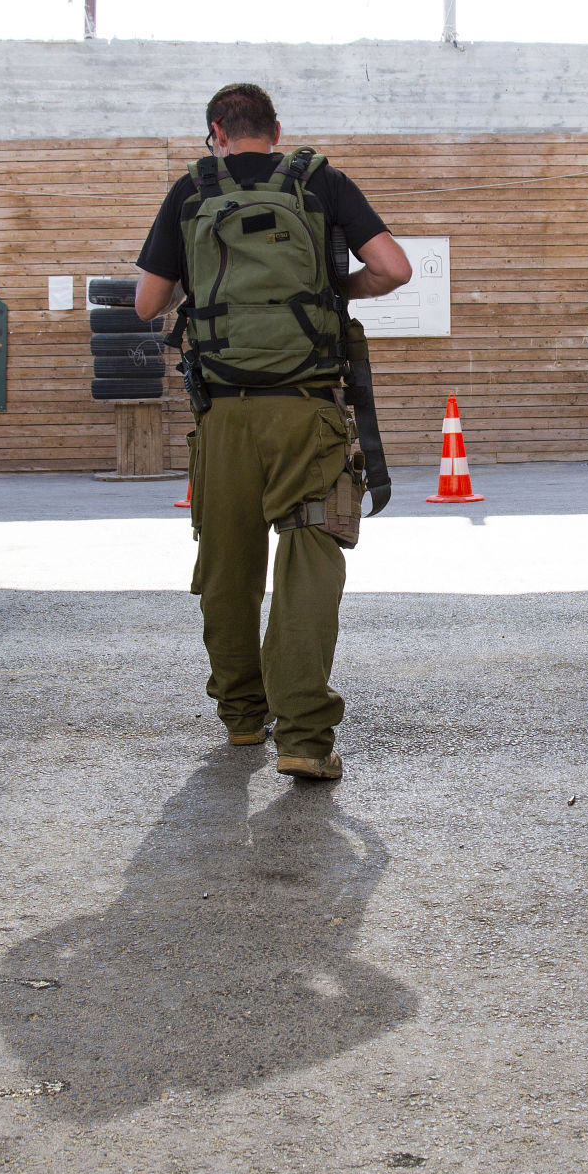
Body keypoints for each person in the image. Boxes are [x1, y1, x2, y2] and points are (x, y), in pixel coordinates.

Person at [133, 82, 411, 781]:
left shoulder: (191, 190)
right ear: (276, 128)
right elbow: (394, 268)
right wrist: (331, 287)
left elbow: (146, 305)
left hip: (223, 414)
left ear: (216, 132)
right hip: (307, 409)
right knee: (310, 558)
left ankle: (241, 717)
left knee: (228, 566)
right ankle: (306, 738)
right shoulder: (321, 181)